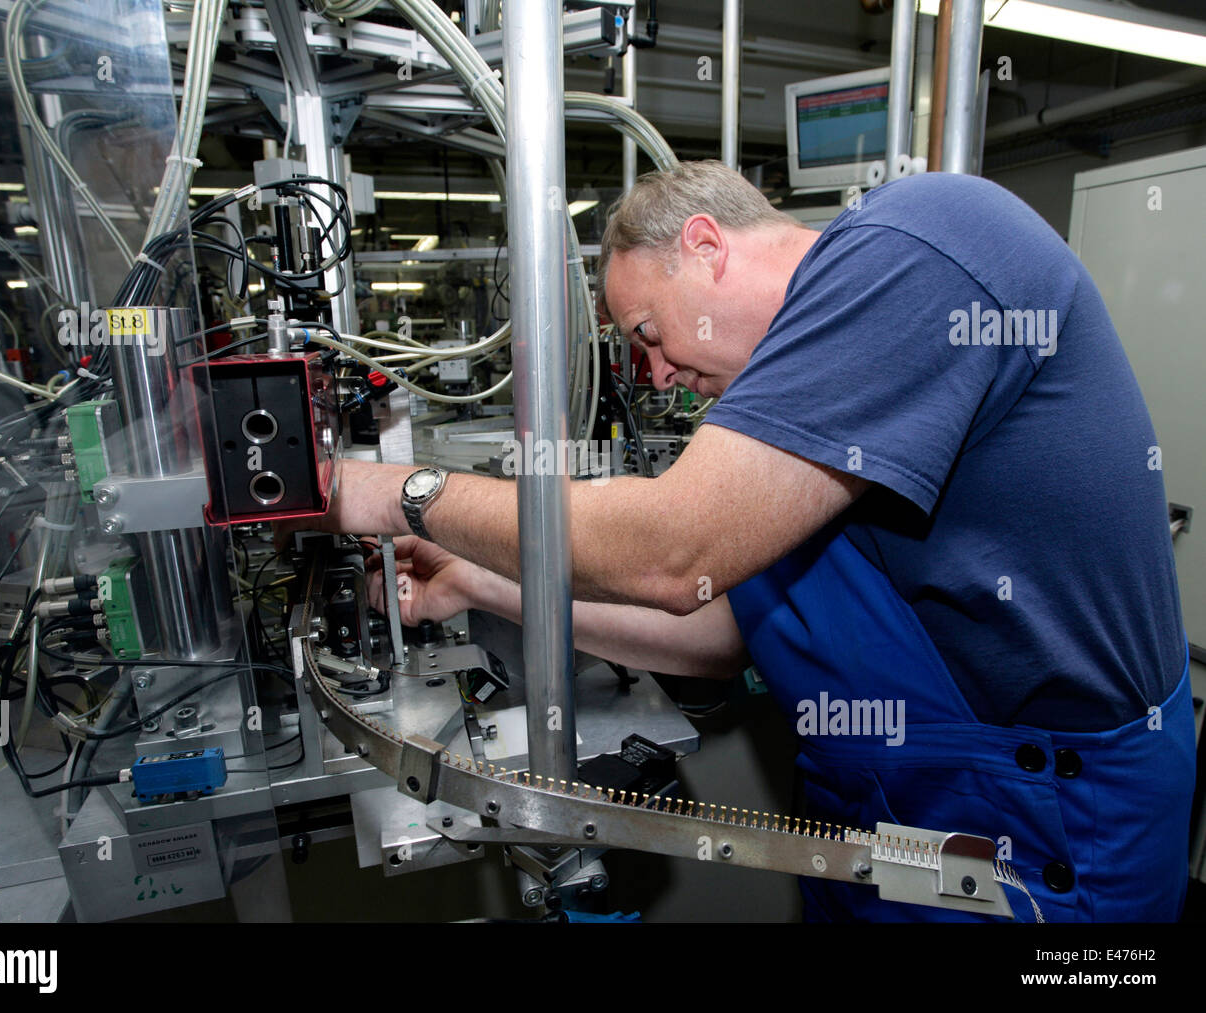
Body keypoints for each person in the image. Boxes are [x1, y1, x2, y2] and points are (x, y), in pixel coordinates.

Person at [278, 160, 1193, 922]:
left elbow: (672, 555)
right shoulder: (821, 404)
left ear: (706, 247)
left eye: (651, 335)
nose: (663, 375)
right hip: (889, 832)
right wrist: (478, 583)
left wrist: (393, 492)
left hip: (1054, 834)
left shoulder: (917, 243)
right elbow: (721, 631)